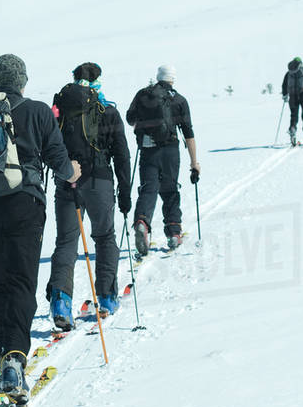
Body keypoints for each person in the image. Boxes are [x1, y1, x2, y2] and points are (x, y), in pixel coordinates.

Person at [0, 53, 80, 403]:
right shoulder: (37, 111)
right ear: (22, 79)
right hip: (25, 203)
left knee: (1, 280)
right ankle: (15, 360)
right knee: (22, 281)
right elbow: (58, 158)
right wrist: (73, 174)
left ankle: (2, 353)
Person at [46, 62, 131, 329]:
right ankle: (106, 297)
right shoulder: (107, 110)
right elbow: (122, 154)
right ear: (98, 81)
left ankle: (60, 301)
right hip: (99, 180)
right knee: (104, 237)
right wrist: (125, 190)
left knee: (66, 242)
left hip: (66, 180)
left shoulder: (59, 110)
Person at [126, 64, 199, 255]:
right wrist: (194, 162)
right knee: (170, 190)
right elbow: (188, 133)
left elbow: (130, 119)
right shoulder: (179, 100)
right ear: (172, 79)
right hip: (171, 151)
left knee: (148, 189)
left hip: (148, 150)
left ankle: (142, 222)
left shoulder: (143, 95)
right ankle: (174, 233)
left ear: (158, 77)